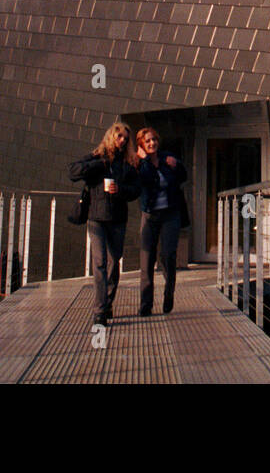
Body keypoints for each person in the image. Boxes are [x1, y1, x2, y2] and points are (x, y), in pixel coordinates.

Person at [69, 122, 140, 325]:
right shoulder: (96, 158)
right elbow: (73, 171)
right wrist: (98, 165)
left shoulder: (127, 163)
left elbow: (136, 189)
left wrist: (120, 190)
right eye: (119, 137)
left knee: (112, 262)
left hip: (117, 218)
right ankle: (99, 310)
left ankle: (107, 303)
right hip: (96, 217)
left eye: (126, 139)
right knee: (99, 263)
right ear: (111, 137)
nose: (122, 141)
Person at [135, 127, 189, 316]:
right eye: (147, 141)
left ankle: (169, 292)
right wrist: (143, 160)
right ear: (141, 144)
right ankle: (145, 304)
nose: (152, 144)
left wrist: (177, 165)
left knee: (168, 255)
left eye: (154, 140)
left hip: (170, 214)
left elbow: (183, 177)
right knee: (147, 259)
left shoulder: (168, 158)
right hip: (150, 216)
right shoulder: (140, 163)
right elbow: (145, 180)